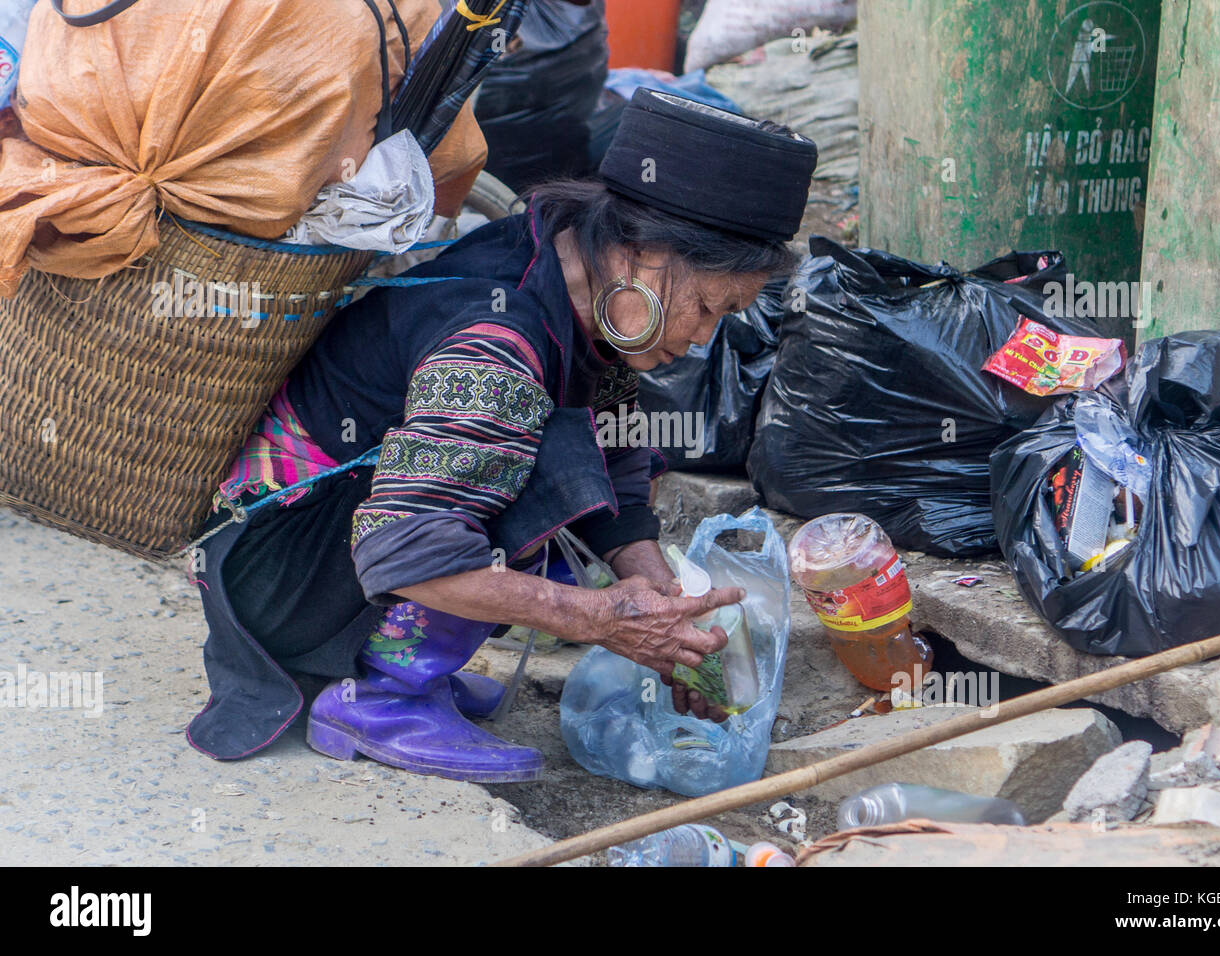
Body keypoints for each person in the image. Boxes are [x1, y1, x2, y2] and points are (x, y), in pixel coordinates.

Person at [186, 88, 818, 782]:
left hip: (318, 546)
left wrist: (661, 603)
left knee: (561, 455)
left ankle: (404, 661)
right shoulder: (497, 347)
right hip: (280, 570)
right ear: (641, 251)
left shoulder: (570, 270)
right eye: (707, 306)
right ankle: (382, 690)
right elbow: (403, 548)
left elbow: (615, 452)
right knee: (537, 456)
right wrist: (600, 618)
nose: (702, 338)